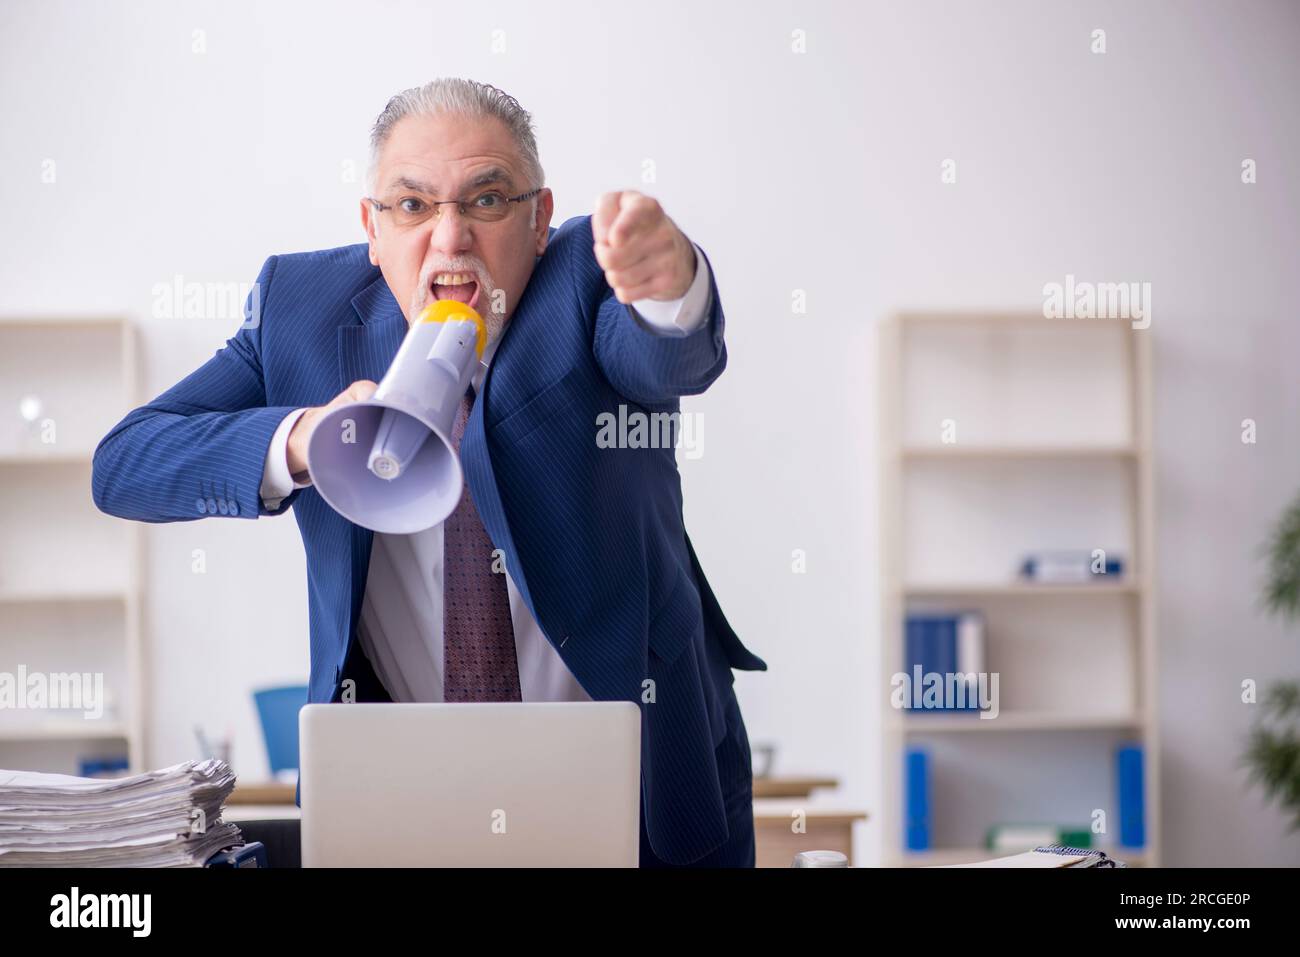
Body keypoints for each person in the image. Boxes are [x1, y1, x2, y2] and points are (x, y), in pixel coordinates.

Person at [92, 78, 766, 867]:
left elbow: (664, 354)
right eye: (412, 206)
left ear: (540, 219)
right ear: (371, 228)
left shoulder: (588, 278)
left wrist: (669, 285)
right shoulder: (298, 310)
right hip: (398, 799)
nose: (450, 239)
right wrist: (307, 438)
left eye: (486, 200)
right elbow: (125, 461)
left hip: (643, 779)